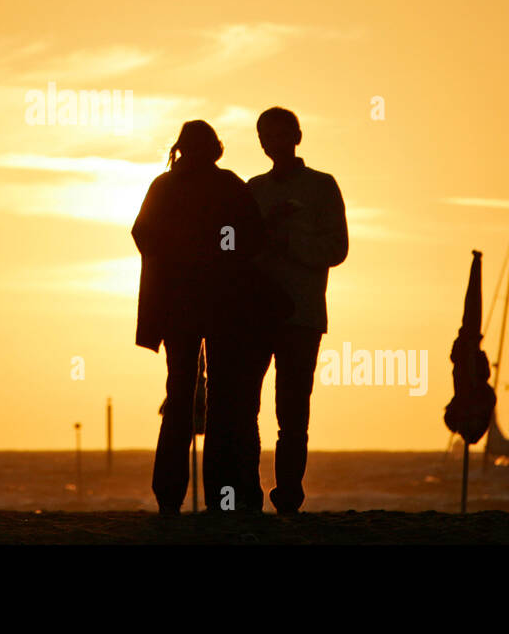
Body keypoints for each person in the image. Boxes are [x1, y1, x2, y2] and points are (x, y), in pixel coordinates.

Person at [132, 120, 263, 514]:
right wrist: (216, 255)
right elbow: (253, 238)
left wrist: (179, 256)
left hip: (182, 307)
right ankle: (217, 497)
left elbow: (143, 235)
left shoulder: (165, 186)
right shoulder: (227, 185)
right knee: (219, 400)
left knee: (181, 397)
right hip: (219, 306)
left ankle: (170, 497)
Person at [245, 106, 348, 513]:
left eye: (280, 133)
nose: (272, 141)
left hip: (302, 317)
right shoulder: (253, 189)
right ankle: (249, 495)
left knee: (292, 415)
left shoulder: (322, 187)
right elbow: (238, 249)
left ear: (297, 135)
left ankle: (288, 497)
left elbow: (337, 249)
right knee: (246, 410)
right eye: (264, 135)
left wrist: (292, 244)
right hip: (256, 316)